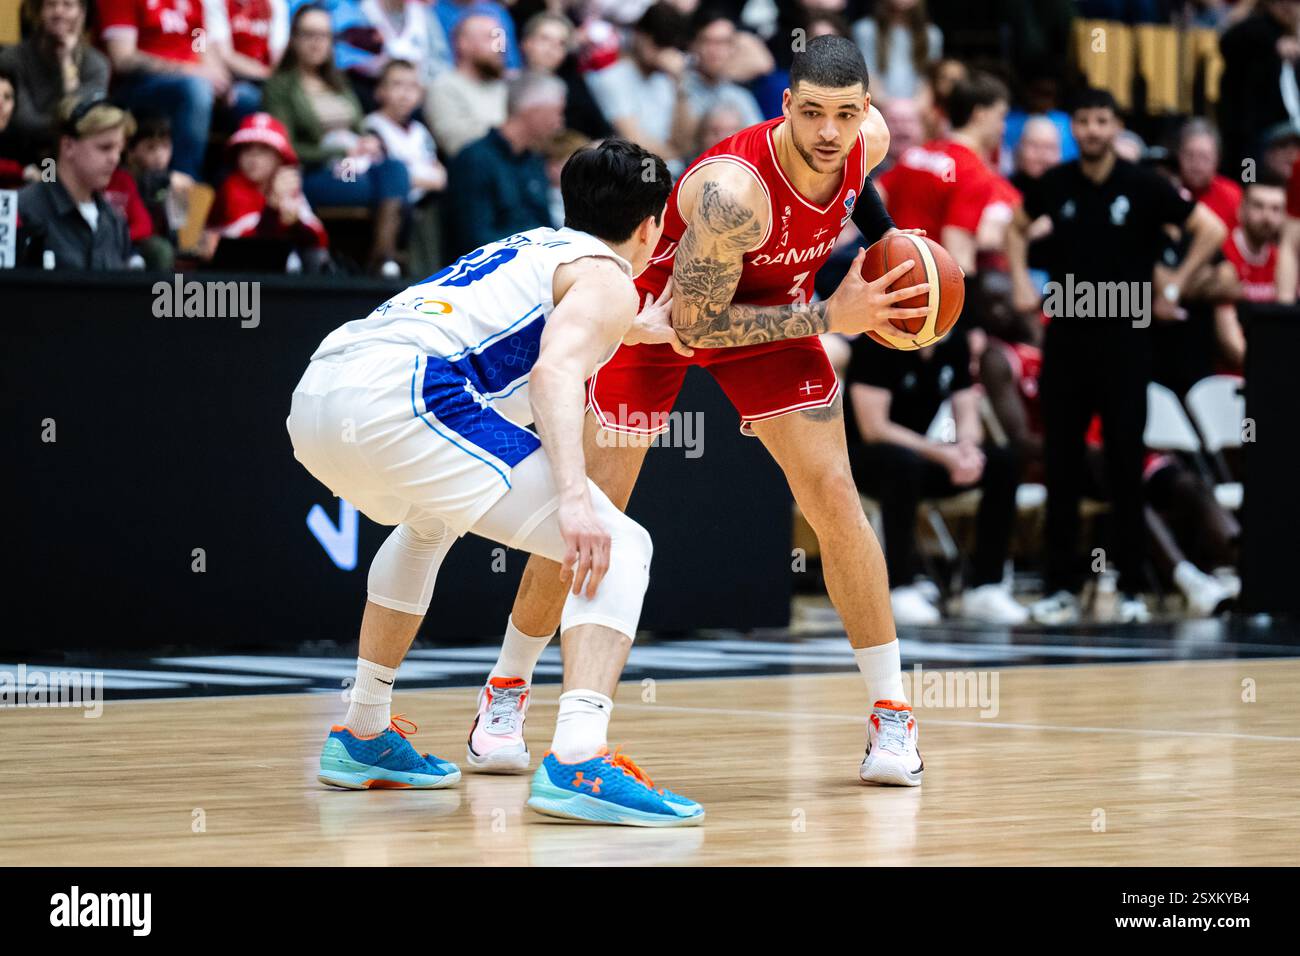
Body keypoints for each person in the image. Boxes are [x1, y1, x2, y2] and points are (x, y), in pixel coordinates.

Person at [465, 35, 932, 789]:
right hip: (661, 318)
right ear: (785, 106)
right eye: (811, 112)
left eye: (844, 115)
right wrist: (831, 318)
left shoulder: (863, 142)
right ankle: (506, 694)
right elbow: (695, 327)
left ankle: (892, 714)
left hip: (773, 310)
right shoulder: (732, 190)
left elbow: (857, 192)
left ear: (866, 113)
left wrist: (893, 248)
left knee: (836, 501)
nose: (827, 133)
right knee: (591, 516)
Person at [286, 138, 706, 826]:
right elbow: (552, 371)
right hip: (408, 395)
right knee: (621, 544)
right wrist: (575, 496)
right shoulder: (609, 276)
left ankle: (363, 731)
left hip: (324, 389)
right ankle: (579, 758)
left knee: (428, 523)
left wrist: (640, 328)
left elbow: (544, 325)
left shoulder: (533, 245)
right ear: (651, 227)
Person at [1007, 87, 1227, 625]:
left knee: (1127, 465)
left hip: (1127, 342)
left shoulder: (1146, 184)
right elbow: (1015, 227)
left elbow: (1211, 228)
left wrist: (1173, 283)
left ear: (1115, 124)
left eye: (1101, 120)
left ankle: (1131, 587)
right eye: (1082, 120)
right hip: (1066, 341)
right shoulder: (1055, 184)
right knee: (1061, 461)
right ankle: (1061, 587)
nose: (1091, 130)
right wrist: (1018, 282)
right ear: (1073, 128)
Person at [844, 328, 1026, 625]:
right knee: (903, 464)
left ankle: (984, 587)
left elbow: (967, 411)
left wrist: (967, 450)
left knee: (1002, 462)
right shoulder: (876, 341)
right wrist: (943, 454)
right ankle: (899, 587)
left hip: (920, 456)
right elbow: (874, 428)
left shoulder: (954, 342)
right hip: (864, 461)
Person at [264, 3, 410, 273]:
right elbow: (285, 148)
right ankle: (382, 263)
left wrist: (366, 142)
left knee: (396, 169)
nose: (316, 42)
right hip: (314, 173)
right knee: (393, 191)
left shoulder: (339, 82)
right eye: (308, 34)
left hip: (353, 167)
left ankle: (382, 255)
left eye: (323, 35)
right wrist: (340, 151)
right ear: (293, 38)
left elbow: (358, 128)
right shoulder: (280, 86)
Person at [878, 71, 1015, 275]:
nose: (1002, 127)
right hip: (931, 287)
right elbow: (959, 253)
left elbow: (875, 194)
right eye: (1001, 116)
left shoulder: (915, 155)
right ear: (981, 114)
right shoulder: (972, 172)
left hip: (888, 274)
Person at [98, 0, 229, 179]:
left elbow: (200, 46)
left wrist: (219, 78)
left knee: (245, 99)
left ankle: (232, 195)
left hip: (189, 81)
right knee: (196, 89)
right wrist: (191, 71)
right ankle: (184, 182)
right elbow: (123, 59)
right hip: (135, 87)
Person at [444, 71, 563, 259]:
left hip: (536, 269)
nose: (559, 123)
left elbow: (547, 227)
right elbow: (474, 239)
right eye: (557, 112)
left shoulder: (534, 162)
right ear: (533, 110)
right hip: (486, 276)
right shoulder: (474, 160)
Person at [17, 95, 133, 270]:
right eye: (105, 147)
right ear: (68, 146)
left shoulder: (114, 220)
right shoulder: (25, 208)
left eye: (119, 150)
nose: (115, 159)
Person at [585, 2, 695, 174]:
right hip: (634, 174)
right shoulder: (611, 77)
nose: (661, 51)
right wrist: (675, 154)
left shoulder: (669, 81)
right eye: (658, 42)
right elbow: (635, 143)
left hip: (668, 171)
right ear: (639, 35)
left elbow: (687, 143)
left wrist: (679, 84)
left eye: (668, 44)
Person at [206, 111, 329, 258]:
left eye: (263, 150)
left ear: (280, 156)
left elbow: (319, 241)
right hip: (236, 273)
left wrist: (295, 223)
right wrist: (272, 209)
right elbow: (245, 247)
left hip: (278, 270)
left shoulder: (286, 184)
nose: (253, 158)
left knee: (315, 255)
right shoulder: (231, 187)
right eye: (247, 149)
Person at [0, 0, 110, 163]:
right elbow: (24, 123)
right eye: (51, 4)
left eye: (67, 5)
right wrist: (60, 124)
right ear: (39, 12)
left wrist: (66, 62)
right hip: (20, 154)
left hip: (71, 158)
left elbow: (80, 123)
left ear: (82, 13)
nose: (58, 12)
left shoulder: (96, 64)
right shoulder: (12, 59)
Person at [1218, 172, 1288, 372]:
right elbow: (1231, 344)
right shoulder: (1224, 256)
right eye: (1259, 206)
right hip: (1227, 381)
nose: (1267, 217)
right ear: (1241, 210)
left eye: (1276, 209)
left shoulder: (1284, 261)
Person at [423, 13, 508, 158]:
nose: (501, 46)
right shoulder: (444, 87)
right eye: (492, 38)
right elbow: (458, 144)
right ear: (464, 44)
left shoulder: (505, 88)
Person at [680, 9, 764, 138]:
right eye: (708, 41)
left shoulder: (740, 96)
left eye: (723, 42)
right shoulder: (678, 86)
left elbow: (760, 146)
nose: (715, 51)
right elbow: (682, 144)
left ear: (733, 48)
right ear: (694, 45)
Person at [201, 0, 291, 116]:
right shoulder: (217, 3)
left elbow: (278, 56)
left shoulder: (275, 4)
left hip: (267, 80)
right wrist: (266, 74)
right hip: (233, 77)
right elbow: (225, 55)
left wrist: (273, 78)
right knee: (245, 97)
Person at [852, 0, 942, 101]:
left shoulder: (932, 35)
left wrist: (914, 108)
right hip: (875, 108)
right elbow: (865, 75)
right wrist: (889, 106)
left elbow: (929, 80)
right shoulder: (865, 30)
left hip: (917, 111)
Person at [1176, 118, 1242, 233]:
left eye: (1204, 157)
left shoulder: (1233, 195)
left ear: (1217, 159)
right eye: (1189, 155)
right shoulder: (1168, 191)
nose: (1196, 164)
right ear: (1178, 156)